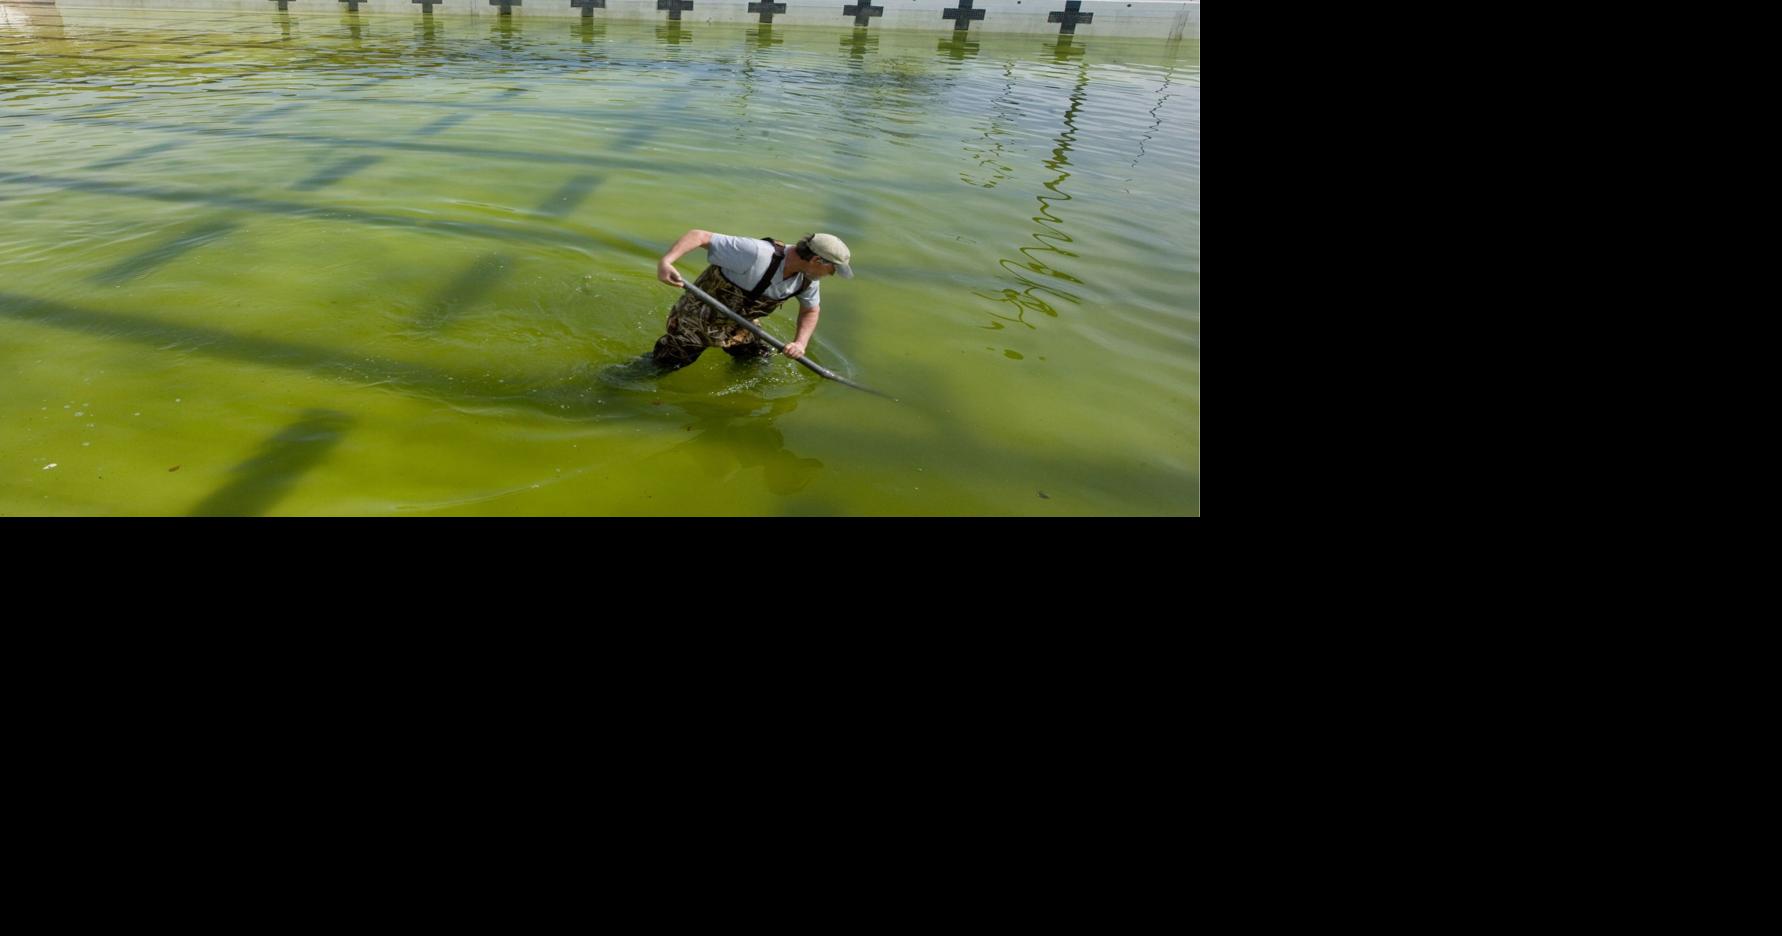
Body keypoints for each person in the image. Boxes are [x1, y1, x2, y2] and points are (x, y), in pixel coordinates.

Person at [651, 229, 853, 372]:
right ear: (817, 260)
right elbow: (699, 236)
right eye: (832, 269)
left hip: (741, 325)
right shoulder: (756, 253)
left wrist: (800, 343)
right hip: (697, 317)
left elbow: (811, 310)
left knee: (756, 361)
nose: (832, 274)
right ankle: (622, 382)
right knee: (663, 367)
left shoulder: (807, 280)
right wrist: (666, 262)